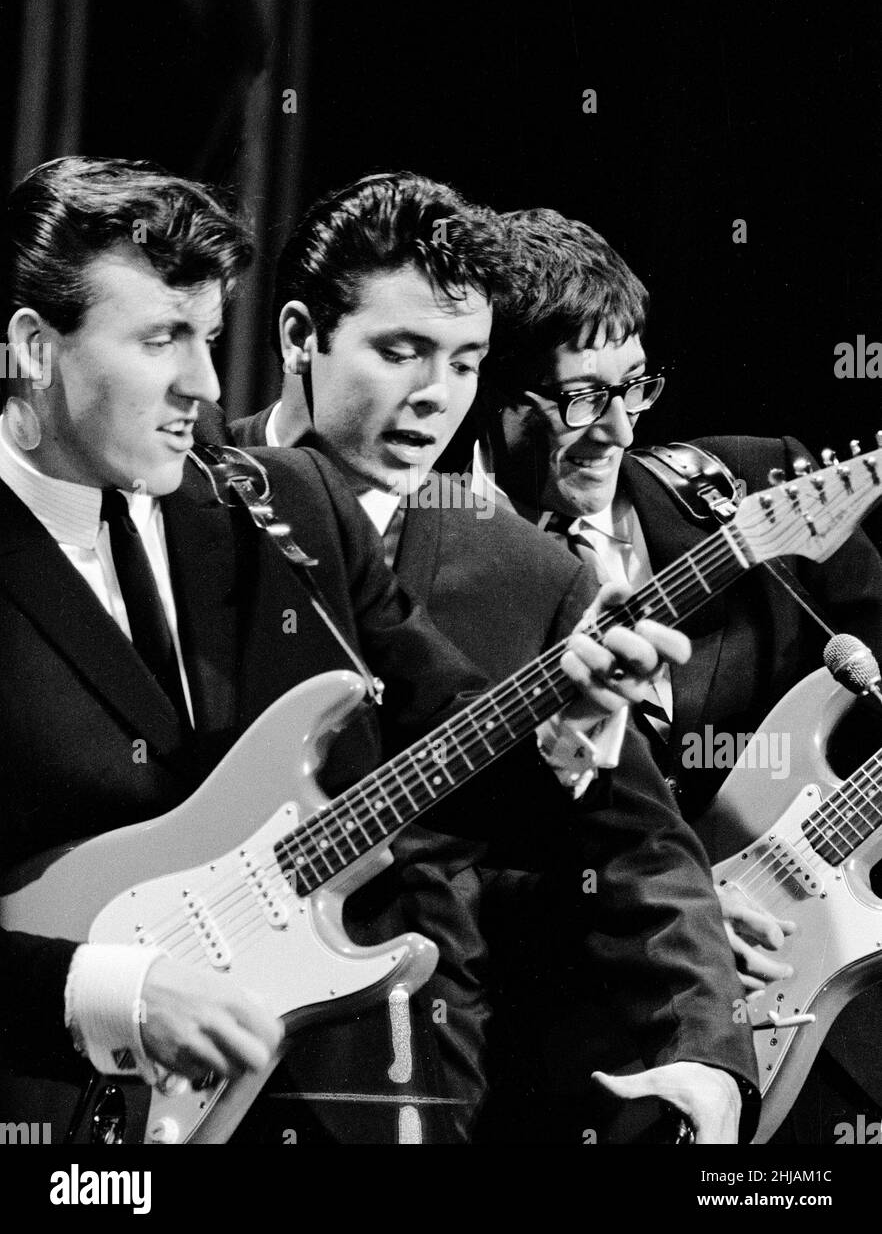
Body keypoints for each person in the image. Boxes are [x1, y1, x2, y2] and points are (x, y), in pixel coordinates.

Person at [0, 156, 721, 1145]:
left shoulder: (284, 500)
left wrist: (564, 731)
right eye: (164, 338)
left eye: (209, 339)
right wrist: (105, 985)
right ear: (36, 350)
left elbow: (450, 753)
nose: (204, 382)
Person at [227, 170, 762, 1143]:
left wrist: (708, 1058)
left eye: (463, 360)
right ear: (301, 337)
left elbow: (637, 843)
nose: (435, 397)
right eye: (401, 351)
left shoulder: (531, 572)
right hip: (164, 1029)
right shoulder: (182, 500)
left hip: (408, 1081)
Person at [478, 204, 882, 1141]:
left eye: (636, 386)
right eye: (580, 397)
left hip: (822, 1017)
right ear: (493, 394)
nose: (616, 428)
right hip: (564, 1055)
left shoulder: (744, 488)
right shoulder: (449, 569)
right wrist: (686, 904)